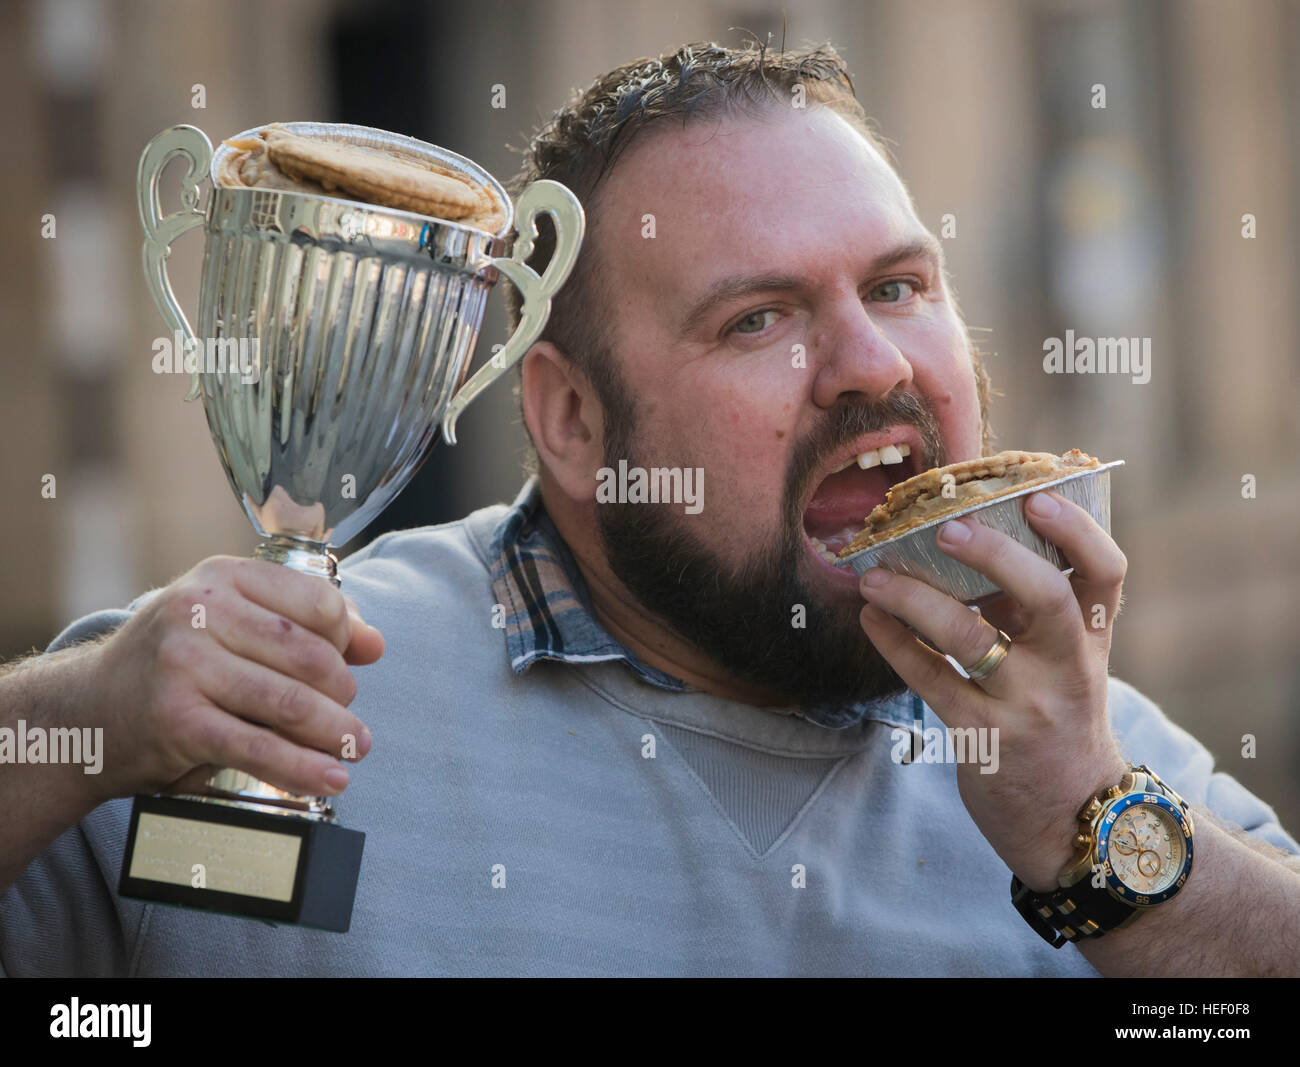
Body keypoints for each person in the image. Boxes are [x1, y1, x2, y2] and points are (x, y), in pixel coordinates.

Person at [2, 41, 1297, 978]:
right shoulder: (235, 706)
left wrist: (1101, 847)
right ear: (570, 420)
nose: (875, 367)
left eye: (900, 287)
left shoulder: (1069, 744)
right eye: (761, 319)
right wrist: (73, 717)